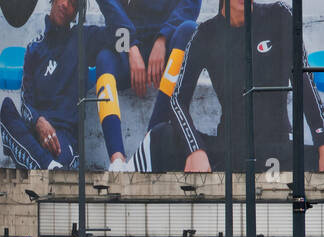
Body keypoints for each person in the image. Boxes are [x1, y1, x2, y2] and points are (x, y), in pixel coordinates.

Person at [126, 0, 324, 174]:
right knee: (162, 135)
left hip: (276, 149)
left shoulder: (279, 15)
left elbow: (304, 83)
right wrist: (194, 149)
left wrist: (322, 142)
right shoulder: (205, 34)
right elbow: (177, 100)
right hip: (230, 151)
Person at [92, 0, 199, 168]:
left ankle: (148, 145)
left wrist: (162, 38)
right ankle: (117, 159)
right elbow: (111, 8)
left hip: (167, 43)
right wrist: (131, 47)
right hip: (128, 43)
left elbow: (190, 6)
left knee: (189, 28)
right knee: (104, 58)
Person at [0, 0, 89, 169]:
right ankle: (48, 165)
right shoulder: (34, 49)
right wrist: (39, 122)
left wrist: (133, 47)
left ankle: (48, 165)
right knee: (7, 108)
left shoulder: (82, 40)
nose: (65, 4)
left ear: (76, 13)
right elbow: (26, 101)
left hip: (64, 138)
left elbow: (115, 32)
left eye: (72, 3)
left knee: (61, 162)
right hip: (35, 135)